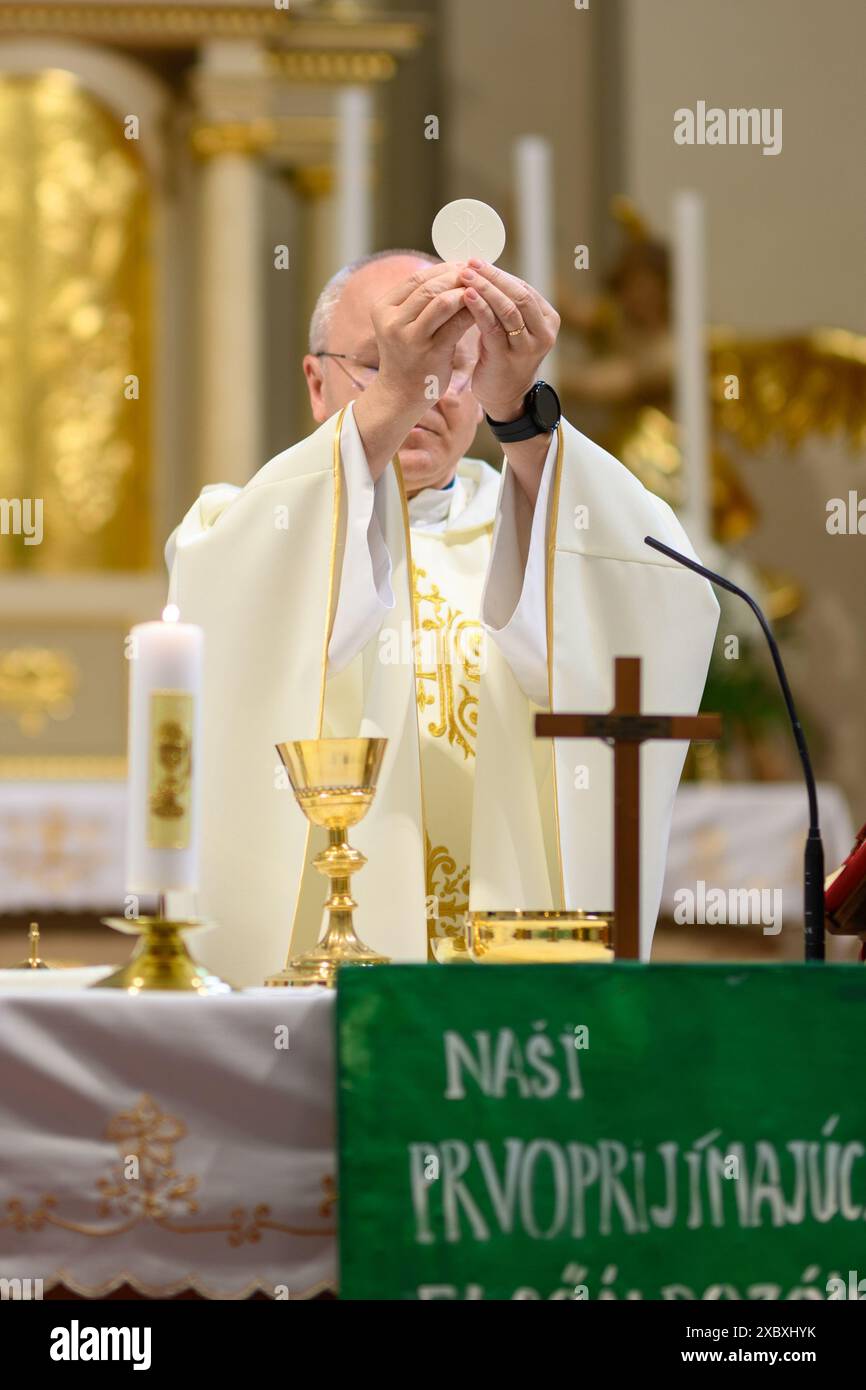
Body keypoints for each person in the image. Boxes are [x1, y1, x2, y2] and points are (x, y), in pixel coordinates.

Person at [167, 251, 719, 986]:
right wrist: (394, 397)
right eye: (383, 363)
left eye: (452, 367)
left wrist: (523, 408)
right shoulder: (239, 528)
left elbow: (661, 594)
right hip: (319, 989)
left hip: (509, 988)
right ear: (315, 381)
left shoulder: (537, 518)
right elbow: (228, 617)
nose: (426, 392)